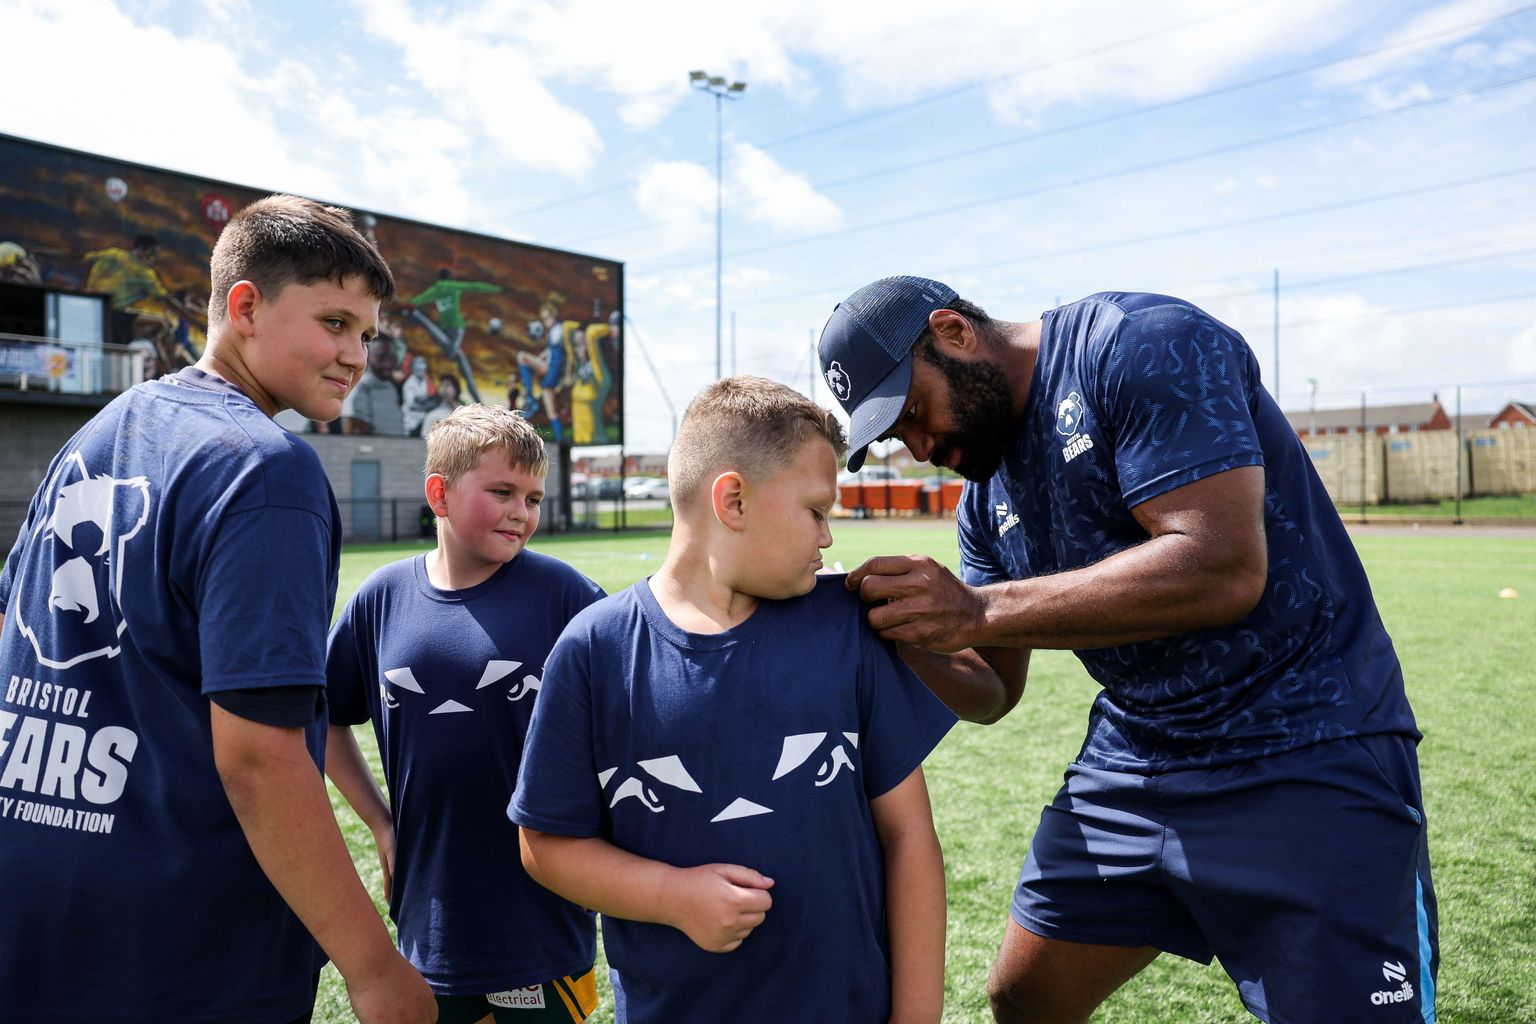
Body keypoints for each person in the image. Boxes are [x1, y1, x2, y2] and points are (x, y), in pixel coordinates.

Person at [816, 277, 1437, 1024]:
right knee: (1027, 995)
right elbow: (991, 684)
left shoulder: (1136, 344)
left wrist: (977, 607)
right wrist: (904, 632)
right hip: (1139, 759)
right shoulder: (985, 497)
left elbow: (1220, 564)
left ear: (952, 332)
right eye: (893, 437)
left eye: (913, 413)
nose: (918, 448)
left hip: (1304, 741)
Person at [0, 195, 435, 1023]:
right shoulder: (265, 469)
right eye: (335, 322)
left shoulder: (101, 430)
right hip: (176, 943)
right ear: (245, 307)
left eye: (367, 335)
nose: (356, 357)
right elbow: (260, 761)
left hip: (36, 906)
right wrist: (376, 971)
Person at [511, 376, 956, 1024]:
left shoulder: (845, 628)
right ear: (734, 501)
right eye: (815, 511)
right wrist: (672, 896)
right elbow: (545, 844)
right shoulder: (595, 650)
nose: (828, 537)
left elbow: (910, 835)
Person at [326, 403, 606, 1024]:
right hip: (431, 916)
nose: (522, 513)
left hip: (541, 921)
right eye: (502, 491)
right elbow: (324, 716)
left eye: (533, 498)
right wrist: (380, 822)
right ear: (440, 494)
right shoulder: (381, 599)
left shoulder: (566, 595)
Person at [344, 334, 405, 435]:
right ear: (366, 355)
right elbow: (355, 430)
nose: (388, 362)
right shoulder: (361, 387)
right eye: (381, 355)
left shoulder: (390, 386)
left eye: (392, 356)